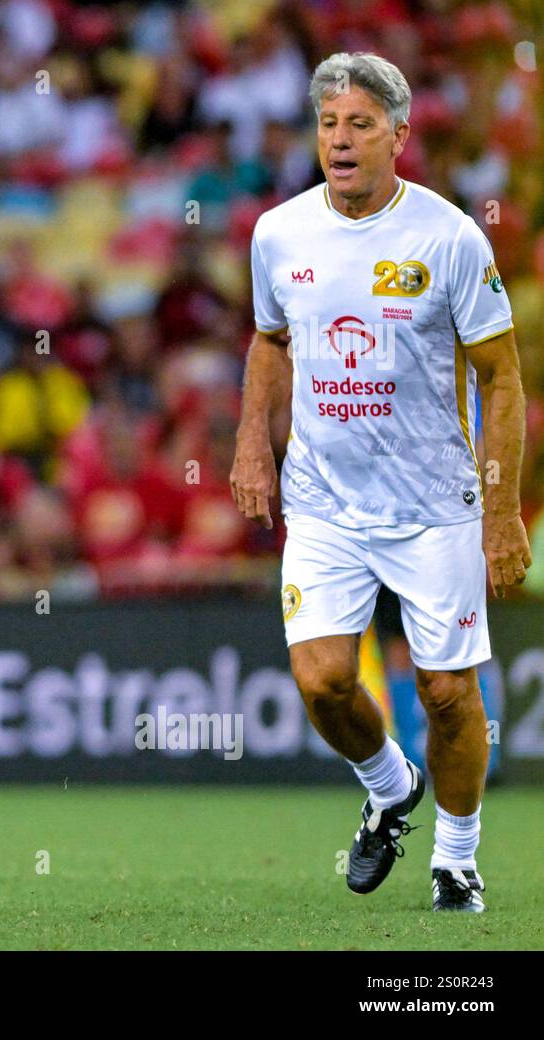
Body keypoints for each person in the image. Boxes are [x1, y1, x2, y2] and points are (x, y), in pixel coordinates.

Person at [230, 52, 530, 913]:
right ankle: (391, 786)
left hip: (435, 503)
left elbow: (502, 377)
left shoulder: (448, 237)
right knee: (323, 680)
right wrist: (254, 441)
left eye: (360, 124)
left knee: (445, 690)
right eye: (329, 124)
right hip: (323, 499)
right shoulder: (279, 232)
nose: (340, 140)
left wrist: (501, 509)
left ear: (399, 134)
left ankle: (459, 857)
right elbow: (269, 341)